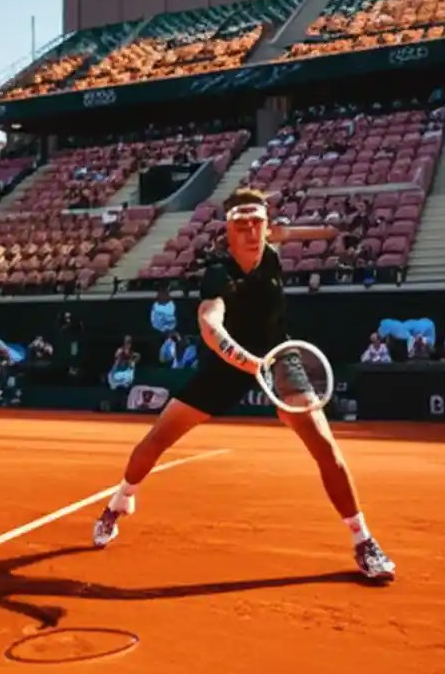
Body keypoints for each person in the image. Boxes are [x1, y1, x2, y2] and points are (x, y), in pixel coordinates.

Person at [90, 188, 396, 582]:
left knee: (324, 446)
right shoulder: (218, 274)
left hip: (280, 355)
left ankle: (363, 539)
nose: (252, 232)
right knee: (155, 441)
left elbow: (295, 233)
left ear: (267, 227)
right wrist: (245, 361)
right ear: (228, 231)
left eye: (258, 223)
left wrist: (328, 231)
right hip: (227, 363)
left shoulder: (271, 244)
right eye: (241, 225)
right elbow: (210, 324)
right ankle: (120, 501)